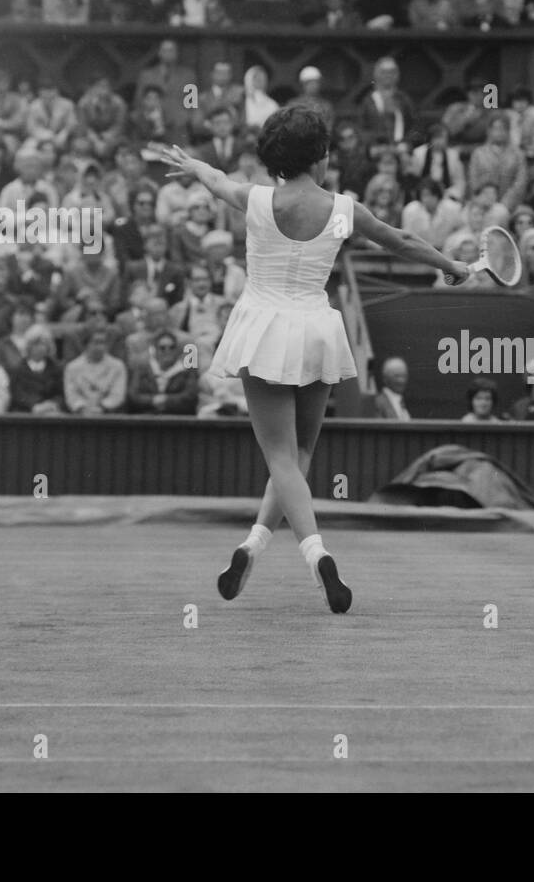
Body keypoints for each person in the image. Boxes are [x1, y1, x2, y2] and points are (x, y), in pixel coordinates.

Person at [150, 108, 468, 613]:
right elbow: (402, 241)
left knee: (281, 458)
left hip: (264, 329)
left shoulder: (253, 198)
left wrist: (192, 164)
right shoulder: (345, 208)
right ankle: (253, 544)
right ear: (319, 157)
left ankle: (316, 553)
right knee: (298, 456)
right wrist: (450, 265)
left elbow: (215, 181)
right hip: (316, 329)